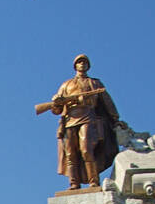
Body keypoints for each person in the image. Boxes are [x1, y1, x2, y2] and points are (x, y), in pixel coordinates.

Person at [52, 54, 121, 189]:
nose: (82, 64)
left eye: (84, 62)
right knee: (70, 153)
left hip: (88, 118)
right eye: (79, 62)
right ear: (75, 66)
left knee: (86, 150)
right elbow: (56, 110)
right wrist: (56, 102)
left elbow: (107, 102)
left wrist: (115, 119)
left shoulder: (95, 83)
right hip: (70, 120)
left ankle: (93, 181)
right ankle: (74, 183)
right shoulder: (66, 85)